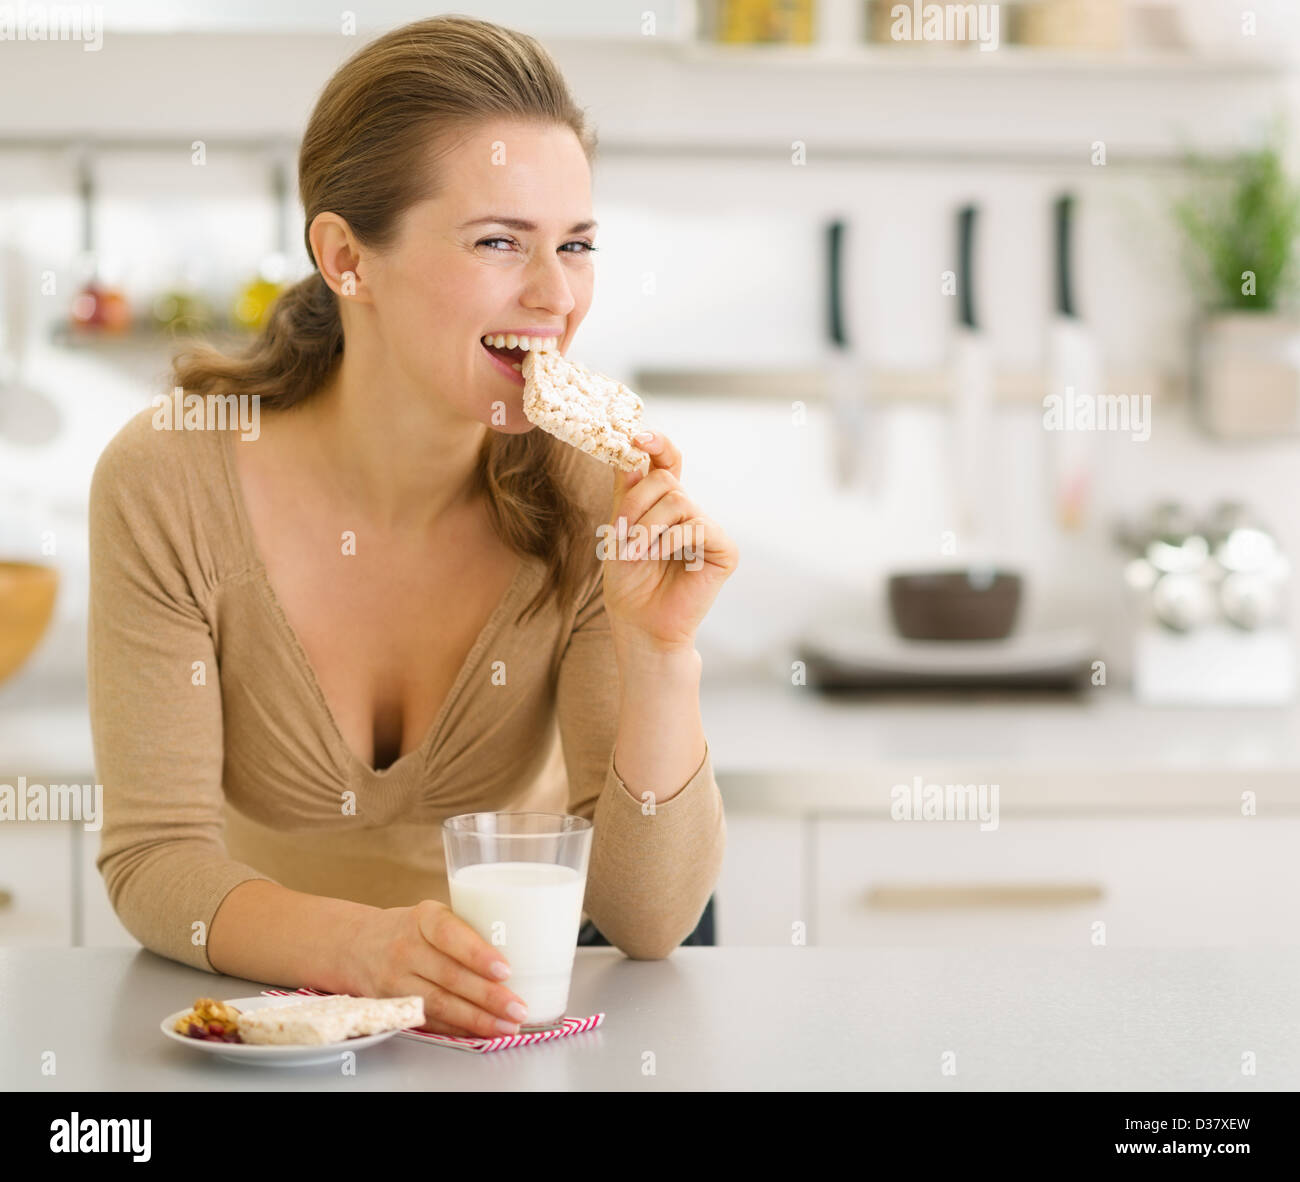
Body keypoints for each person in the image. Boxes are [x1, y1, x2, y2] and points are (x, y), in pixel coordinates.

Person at [87, 16, 737, 1040]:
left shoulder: (585, 490)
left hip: (512, 1034)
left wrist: (661, 655)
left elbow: (650, 925)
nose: (556, 296)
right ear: (347, 258)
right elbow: (153, 861)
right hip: (273, 1041)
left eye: (574, 245)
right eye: (497, 243)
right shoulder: (169, 478)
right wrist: (361, 951)